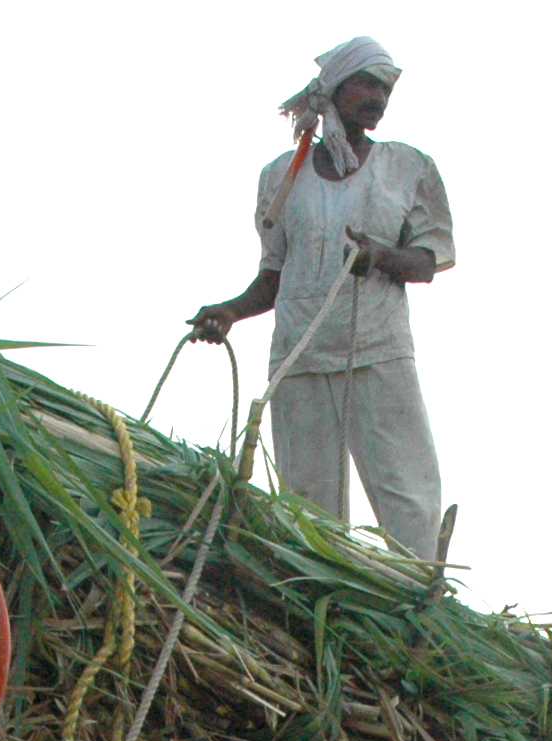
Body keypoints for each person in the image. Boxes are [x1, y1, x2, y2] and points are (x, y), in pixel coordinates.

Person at [189, 37, 453, 561]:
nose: (378, 96)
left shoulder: (407, 168)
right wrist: (230, 312)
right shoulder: (282, 177)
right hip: (301, 354)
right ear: (335, 87)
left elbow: (426, 262)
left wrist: (379, 256)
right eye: (367, 83)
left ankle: (415, 607)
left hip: (377, 349)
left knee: (409, 500)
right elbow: (273, 278)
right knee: (308, 509)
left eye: (385, 87)